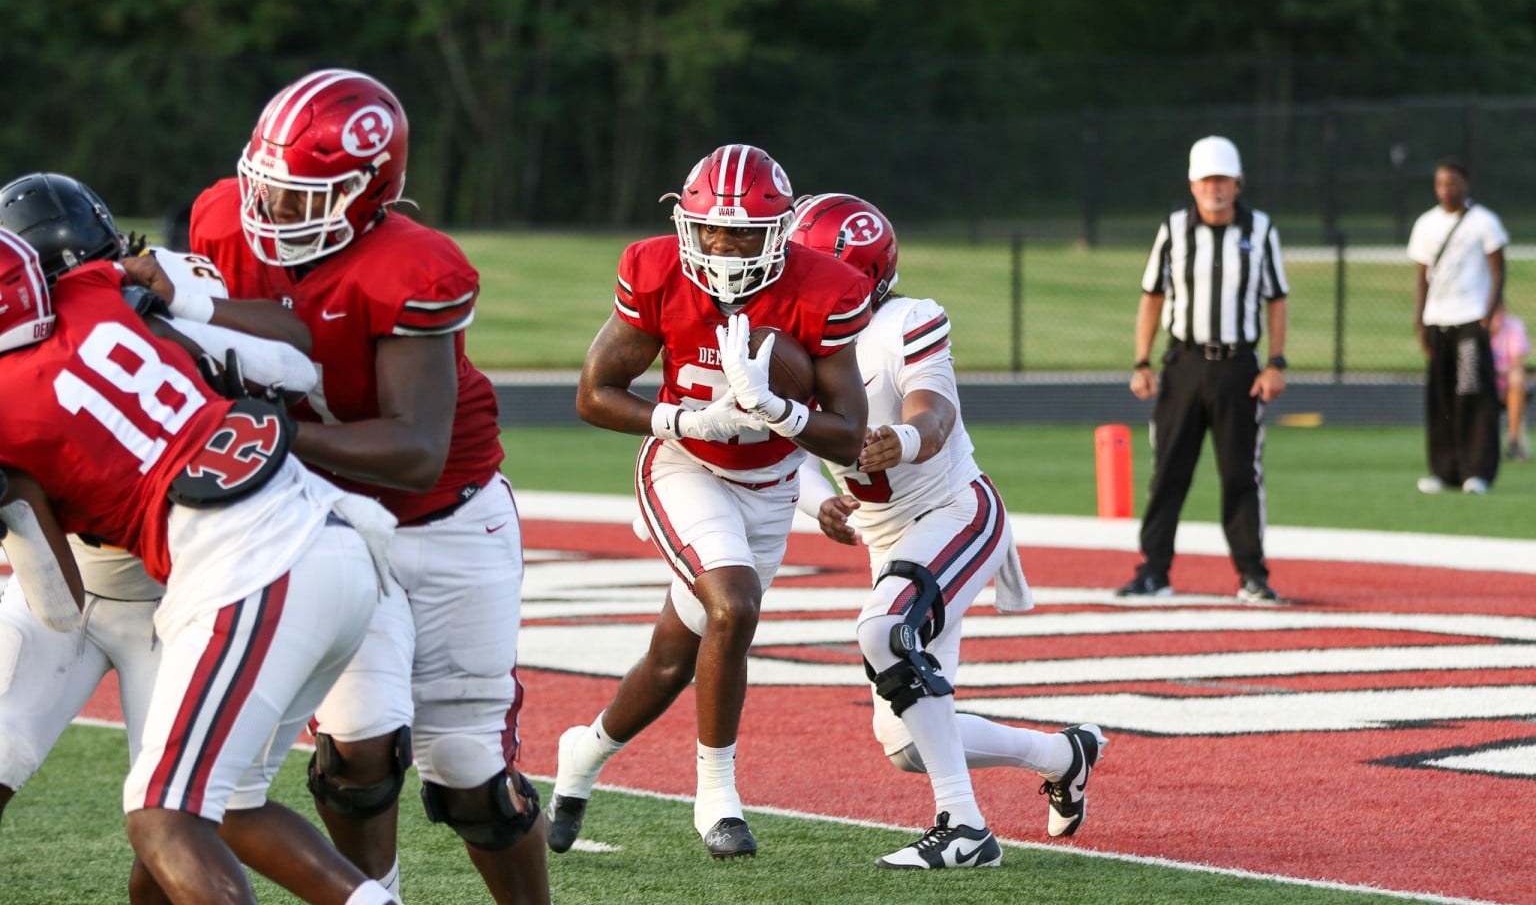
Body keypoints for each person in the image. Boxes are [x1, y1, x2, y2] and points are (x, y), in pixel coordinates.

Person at [187, 68, 549, 905]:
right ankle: (375, 897)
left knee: (472, 779)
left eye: (300, 195)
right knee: (358, 749)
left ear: (367, 191)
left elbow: (416, 449)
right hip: (333, 521)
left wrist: (269, 435)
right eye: (267, 188)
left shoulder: (414, 266)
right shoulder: (220, 220)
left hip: (449, 516)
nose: (273, 210)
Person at [0, 227, 397, 905]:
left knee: (163, 819)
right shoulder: (96, 287)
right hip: (332, 530)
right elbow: (294, 362)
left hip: (243, 563)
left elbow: (57, 604)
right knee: (222, 810)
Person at [546, 144, 871, 860]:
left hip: (770, 484)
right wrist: (684, 421)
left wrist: (779, 412)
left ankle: (583, 753)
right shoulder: (656, 268)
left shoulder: (827, 287)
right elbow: (593, 395)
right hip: (683, 466)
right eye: (712, 230)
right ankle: (718, 796)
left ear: (781, 230)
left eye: (744, 233)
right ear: (685, 223)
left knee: (672, 659)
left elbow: (849, 437)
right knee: (735, 604)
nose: (724, 246)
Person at [788, 193, 1105, 869]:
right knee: (907, 743)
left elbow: (933, 416)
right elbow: (783, 455)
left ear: (857, 276)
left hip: (956, 512)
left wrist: (897, 441)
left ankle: (964, 828)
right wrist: (819, 501)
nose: (794, 278)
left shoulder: (909, 320)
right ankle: (1063, 754)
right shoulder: (791, 340)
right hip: (891, 540)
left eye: (809, 266)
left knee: (883, 632)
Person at [0, 172, 318, 830]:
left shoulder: (148, 297)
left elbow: (289, 364)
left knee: (186, 826)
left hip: (181, 590)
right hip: (73, 578)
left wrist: (190, 335)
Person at [1118, 136, 1289, 603]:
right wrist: (1141, 361)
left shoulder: (1261, 230)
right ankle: (1154, 570)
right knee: (1168, 469)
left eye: (1223, 179)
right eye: (1207, 180)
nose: (1215, 188)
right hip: (1185, 363)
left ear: (1238, 182)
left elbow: (1276, 300)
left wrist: (1275, 362)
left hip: (1238, 366)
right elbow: (1151, 297)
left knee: (1240, 473)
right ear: (1193, 184)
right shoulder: (1173, 230)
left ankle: (1252, 573)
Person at [1409, 158, 1507, 494]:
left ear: (1465, 184)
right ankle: (1443, 469)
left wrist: (1489, 312)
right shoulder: (1425, 224)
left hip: (1469, 320)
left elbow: (1498, 270)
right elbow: (1421, 276)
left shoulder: (1484, 222)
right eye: (1440, 184)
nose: (1445, 190)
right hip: (1438, 321)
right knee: (1440, 396)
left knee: (1471, 394)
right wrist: (1419, 320)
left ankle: (1476, 469)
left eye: (1452, 183)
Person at [1491, 303, 1529, 461]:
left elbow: (1516, 363)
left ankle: (1513, 441)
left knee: (1517, 378)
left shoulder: (1514, 327)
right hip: (1483, 385)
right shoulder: (1476, 330)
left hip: (1505, 386)